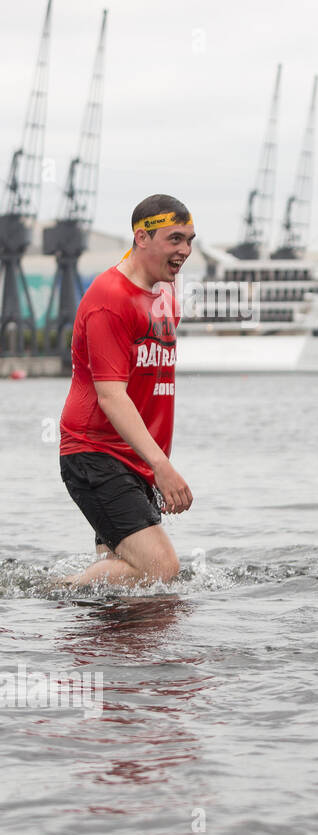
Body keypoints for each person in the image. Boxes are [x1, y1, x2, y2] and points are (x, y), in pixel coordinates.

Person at [58, 195, 195, 586]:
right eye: (174, 239)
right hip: (95, 453)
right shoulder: (109, 300)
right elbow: (111, 396)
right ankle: (45, 596)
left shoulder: (166, 291)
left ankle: (108, 644)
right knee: (160, 568)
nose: (184, 250)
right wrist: (162, 466)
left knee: (122, 592)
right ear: (142, 238)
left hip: (132, 456)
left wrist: (150, 463)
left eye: (189, 239)